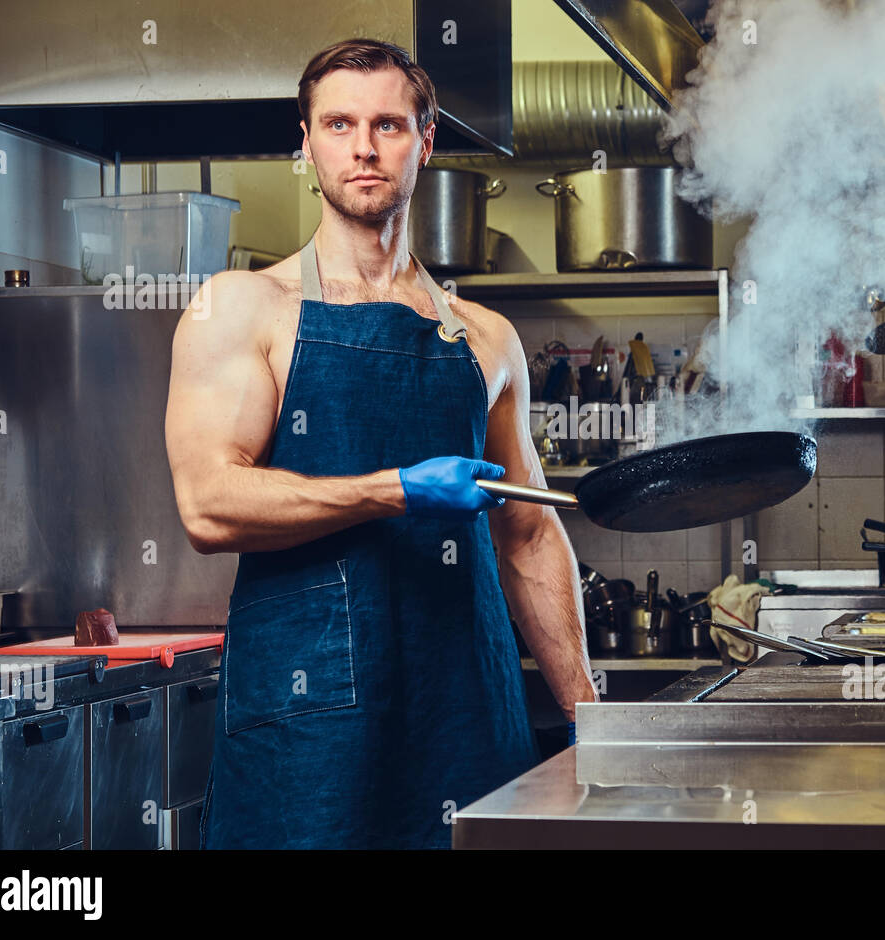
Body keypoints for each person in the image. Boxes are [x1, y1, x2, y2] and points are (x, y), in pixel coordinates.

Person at [164, 37, 596, 849]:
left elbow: (528, 529)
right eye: (338, 124)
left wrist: (584, 710)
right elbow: (208, 504)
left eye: (389, 125)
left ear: (425, 141)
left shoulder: (487, 338)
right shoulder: (243, 307)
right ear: (306, 141)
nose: (364, 147)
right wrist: (394, 489)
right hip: (307, 721)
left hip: (467, 704)